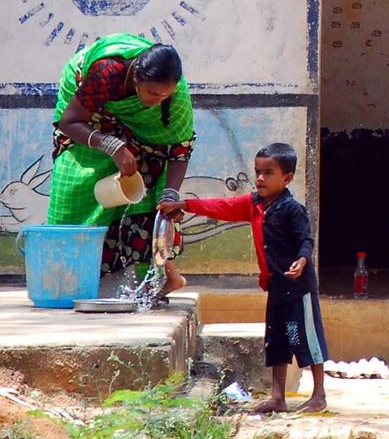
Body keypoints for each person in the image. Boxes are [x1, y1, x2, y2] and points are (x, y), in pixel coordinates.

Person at [158, 143, 327, 413]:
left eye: (268, 173)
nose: (260, 178)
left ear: (287, 178)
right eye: (258, 172)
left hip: (298, 288)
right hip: (275, 286)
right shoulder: (254, 205)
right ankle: (277, 398)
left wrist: (303, 259)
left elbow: (305, 240)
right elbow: (221, 206)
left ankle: (319, 395)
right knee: (277, 342)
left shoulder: (292, 209)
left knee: (306, 340)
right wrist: (185, 205)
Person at [47, 34, 195, 296]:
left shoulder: (176, 94)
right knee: (75, 188)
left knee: (152, 189)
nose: (157, 101)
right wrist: (111, 145)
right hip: (85, 114)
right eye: (152, 93)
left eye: (164, 96)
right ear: (136, 77)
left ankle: (159, 278)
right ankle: (70, 284)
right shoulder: (107, 72)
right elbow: (69, 122)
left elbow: (178, 148)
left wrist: (170, 195)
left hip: (142, 137)